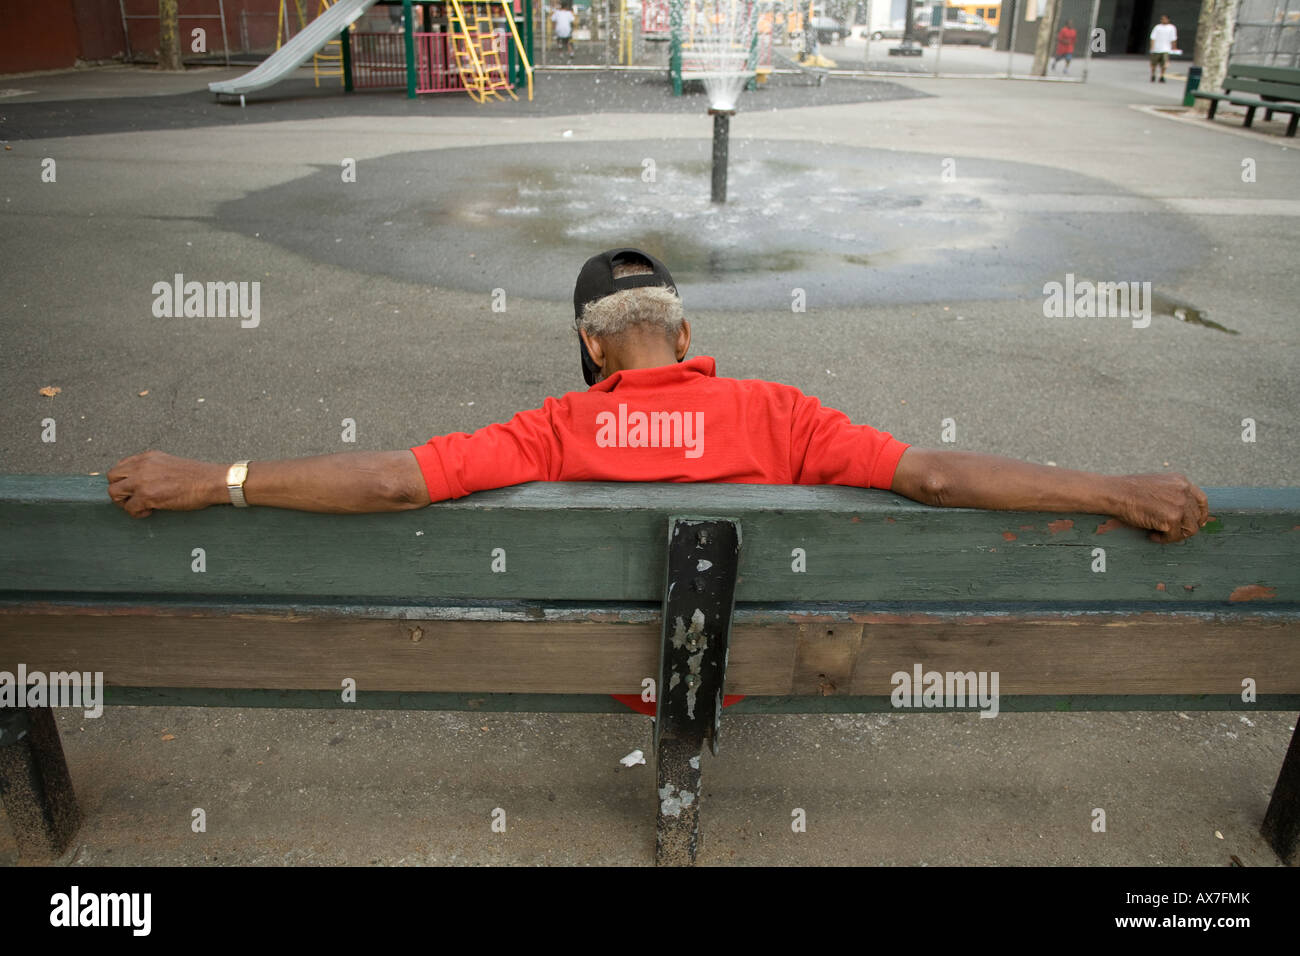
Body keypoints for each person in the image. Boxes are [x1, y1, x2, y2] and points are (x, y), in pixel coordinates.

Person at [106, 248, 1209, 546]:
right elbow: (935, 472)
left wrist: (219, 478)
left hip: (610, 662)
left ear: (590, 354)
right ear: (688, 338)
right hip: (754, 661)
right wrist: (1112, 486)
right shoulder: (781, 414)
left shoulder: (552, 427)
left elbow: (395, 479)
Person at [1149, 14, 1177, 83]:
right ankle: (1153, 74)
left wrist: (1174, 48)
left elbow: (1173, 39)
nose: (1163, 20)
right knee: (1153, 63)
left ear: (1168, 20)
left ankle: (1162, 75)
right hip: (1156, 49)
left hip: (1166, 49)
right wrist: (1152, 47)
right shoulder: (1157, 27)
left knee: (1164, 63)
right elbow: (1153, 38)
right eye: (1162, 19)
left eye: (1164, 19)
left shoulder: (1171, 28)